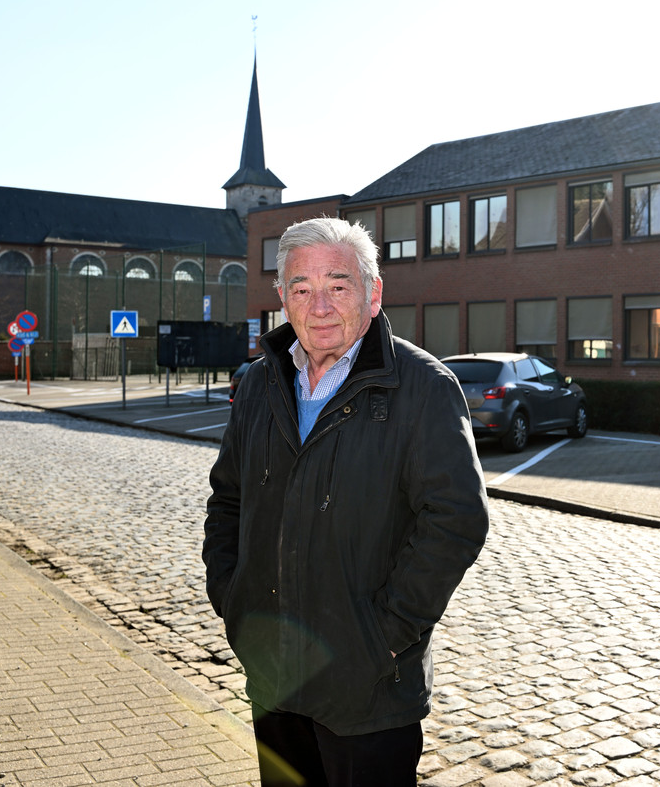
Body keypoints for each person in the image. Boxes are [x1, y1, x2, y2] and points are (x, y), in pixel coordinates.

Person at [204, 216, 489, 786]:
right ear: (282, 298)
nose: (320, 307)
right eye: (302, 289)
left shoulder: (423, 387)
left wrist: (381, 639)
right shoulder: (260, 384)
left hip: (368, 694)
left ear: (373, 292)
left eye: (338, 286)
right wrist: (233, 600)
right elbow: (228, 499)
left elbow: (456, 521)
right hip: (275, 678)